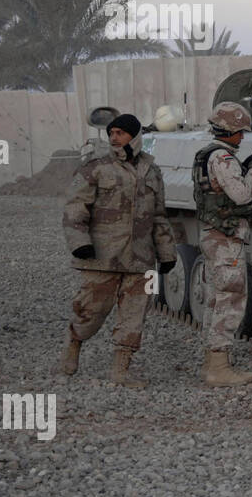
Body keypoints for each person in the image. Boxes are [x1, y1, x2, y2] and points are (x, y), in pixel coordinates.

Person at [60, 113, 176, 387]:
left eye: (121, 133)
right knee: (90, 310)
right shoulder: (96, 167)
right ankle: (74, 343)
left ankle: (121, 370)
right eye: (111, 133)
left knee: (135, 315)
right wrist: (79, 243)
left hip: (141, 259)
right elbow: (75, 209)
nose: (114, 138)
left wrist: (167, 253)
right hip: (101, 256)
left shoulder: (152, 170)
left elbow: (159, 215)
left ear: (134, 137)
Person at [194, 102, 252, 386]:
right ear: (230, 131)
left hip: (212, 234)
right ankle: (218, 368)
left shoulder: (206, 154)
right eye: (241, 132)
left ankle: (212, 363)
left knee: (216, 297)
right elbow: (241, 196)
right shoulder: (223, 158)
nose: (243, 137)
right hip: (225, 238)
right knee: (231, 298)